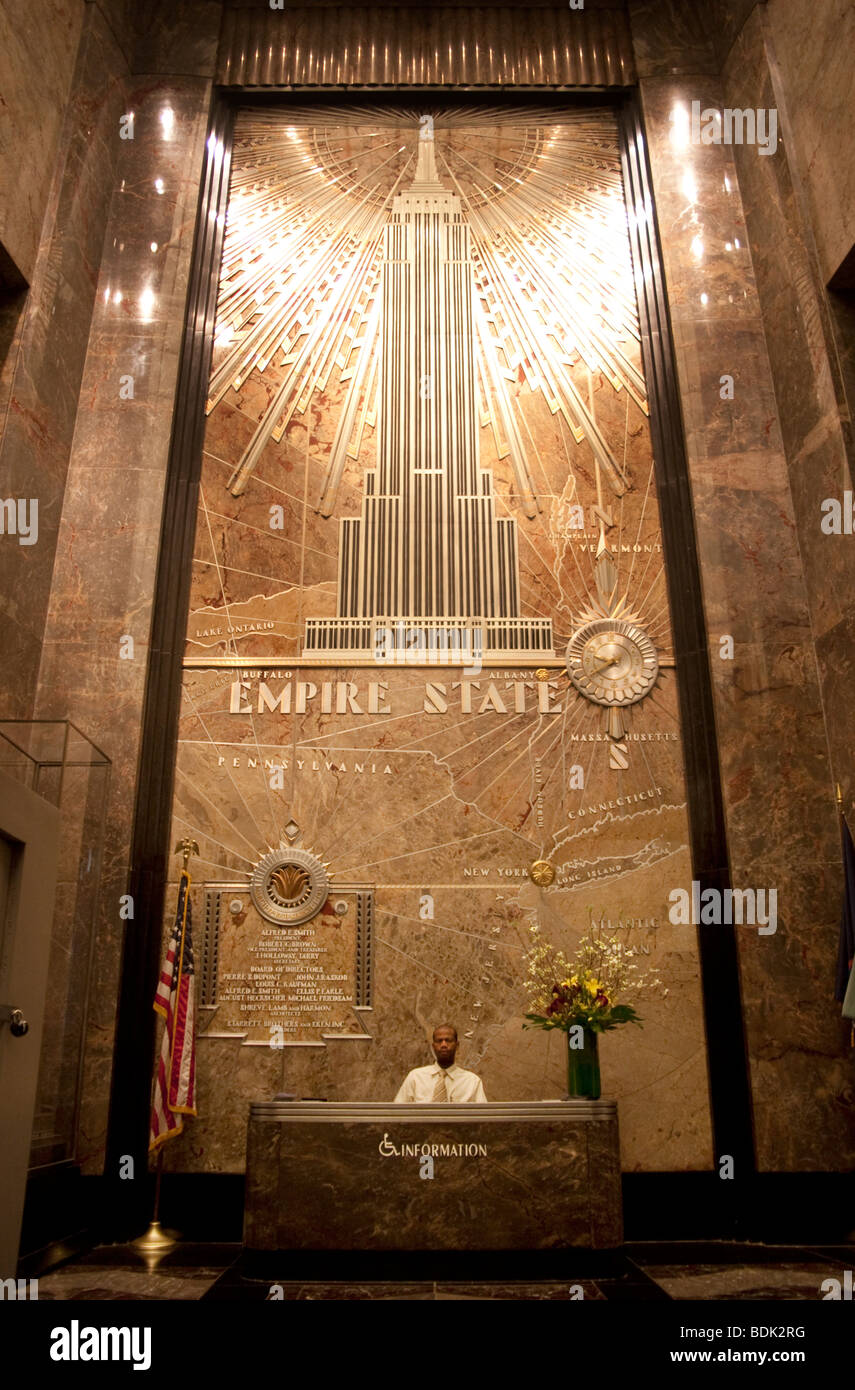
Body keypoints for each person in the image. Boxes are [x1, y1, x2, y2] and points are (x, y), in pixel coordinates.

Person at [394, 1023, 487, 1103]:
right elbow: (397, 1115)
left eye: (448, 1040)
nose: (443, 1045)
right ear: (433, 1046)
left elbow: (484, 1120)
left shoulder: (472, 1082)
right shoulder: (415, 1078)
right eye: (439, 1041)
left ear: (457, 1045)